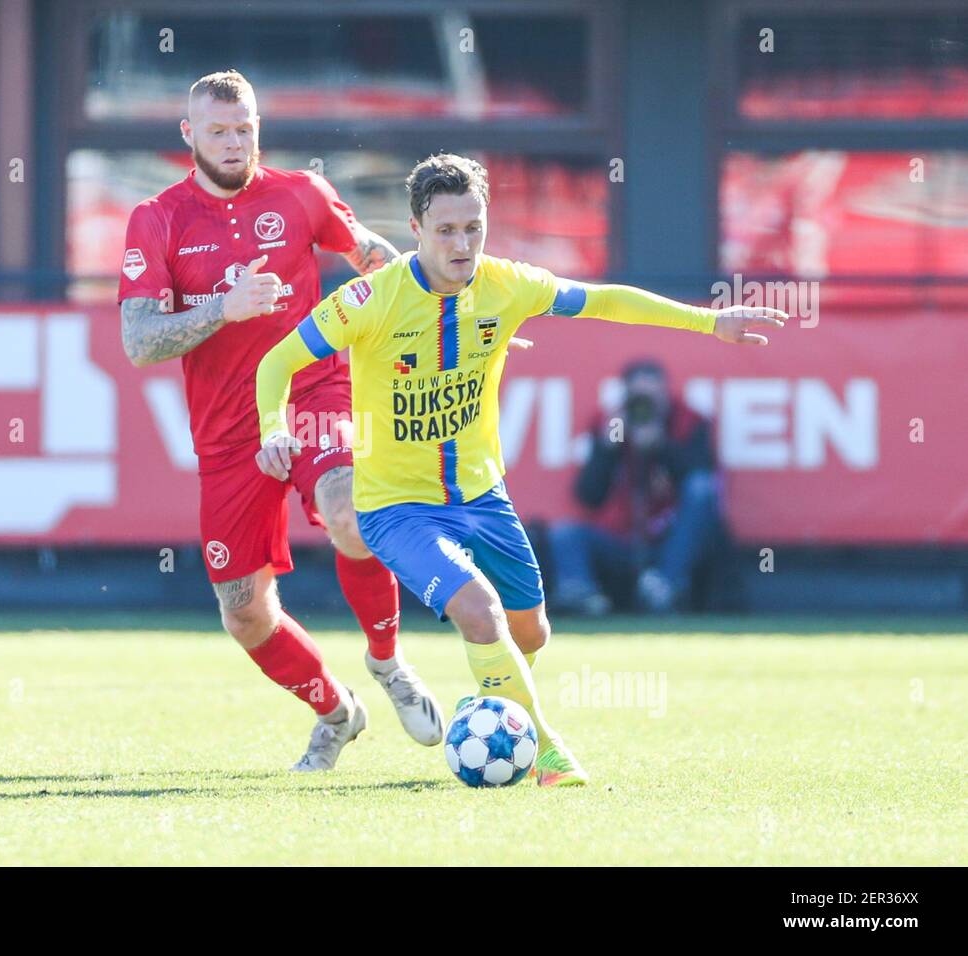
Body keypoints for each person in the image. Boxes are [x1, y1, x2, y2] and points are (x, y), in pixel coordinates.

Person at [255, 153, 787, 786]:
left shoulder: (507, 285)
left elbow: (603, 301)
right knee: (480, 612)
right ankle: (547, 753)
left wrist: (708, 322)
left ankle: (486, 705)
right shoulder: (368, 299)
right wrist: (274, 430)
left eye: (473, 227)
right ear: (415, 228)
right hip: (396, 506)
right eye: (446, 230)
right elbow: (276, 364)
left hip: (483, 495)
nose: (462, 244)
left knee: (529, 633)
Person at [118, 70, 443, 772]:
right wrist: (219, 311)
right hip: (229, 431)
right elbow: (139, 341)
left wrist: (427, 309)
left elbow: (375, 259)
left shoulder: (302, 192)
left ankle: (387, 664)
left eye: (245, 129)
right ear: (189, 135)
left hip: (312, 390)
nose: (235, 144)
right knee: (243, 610)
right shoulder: (158, 218)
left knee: (350, 512)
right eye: (218, 131)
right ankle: (336, 711)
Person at [550, 359, 725, 614]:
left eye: (652, 398)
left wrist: (661, 446)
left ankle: (665, 586)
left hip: (672, 538)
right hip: (622, 537)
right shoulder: (611, 424)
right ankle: (581, 594)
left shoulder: (689, 422)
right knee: (565, 533)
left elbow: (703, 481)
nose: (646, 407)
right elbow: (587, 496)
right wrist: (607, 449)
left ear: (666, 394)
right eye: (638, 398)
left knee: (702, 489)